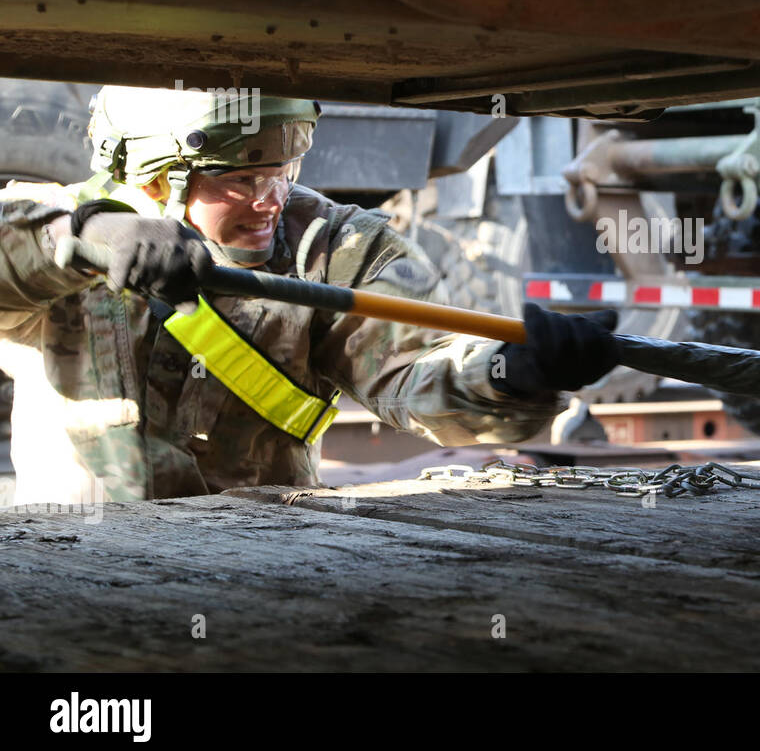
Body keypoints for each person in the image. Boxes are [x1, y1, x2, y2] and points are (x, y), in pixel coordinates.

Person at [0, 85, 617, 505]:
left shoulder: (335, 251)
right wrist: (84, 239)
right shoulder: (60, 235)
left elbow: (413, 372)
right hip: (78, 560)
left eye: (282, 172)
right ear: (159, 179)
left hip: (269, 563)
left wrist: (511, 372)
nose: (270, 200)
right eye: (242, 179)